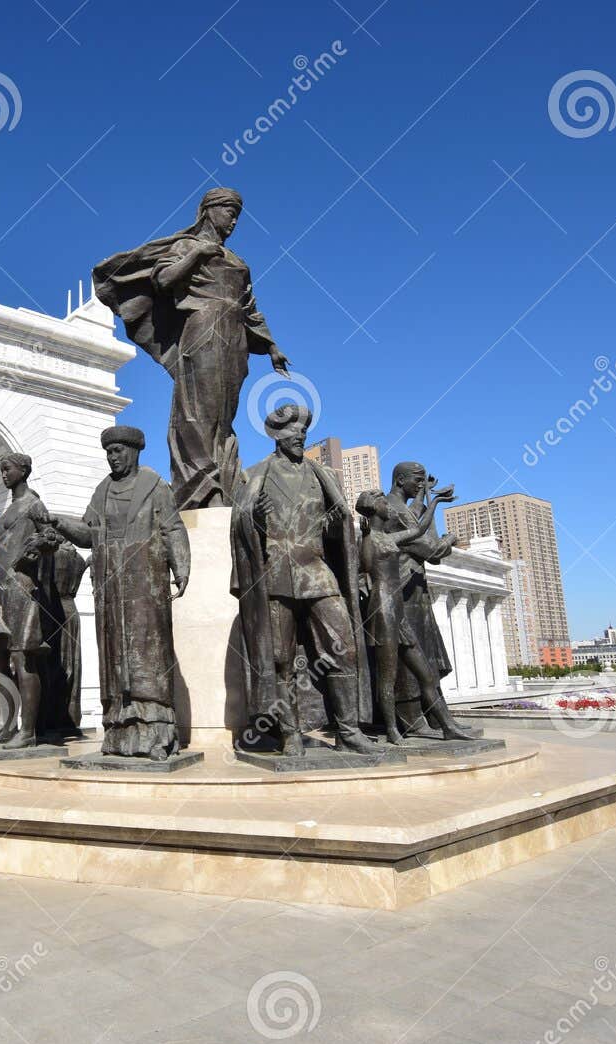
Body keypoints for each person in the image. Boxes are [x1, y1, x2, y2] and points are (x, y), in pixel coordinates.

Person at [92, 187, 290, 511]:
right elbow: (163, 280)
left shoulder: (238, 262)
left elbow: (250, 307)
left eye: (238, 214)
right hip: (203, 329)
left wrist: (271, 346)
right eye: (229, 211)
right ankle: (202, 489)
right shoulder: (186, 246)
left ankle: (225, 484)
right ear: (209, 210)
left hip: (235, 337)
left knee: (224, 417)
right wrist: (197, 255)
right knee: (197, 411)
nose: (234, 220)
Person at [229, 404, 379, 756]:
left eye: (303, 433)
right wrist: (255, 519)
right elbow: (238, 527)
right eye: (293, 432)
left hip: (316, 572)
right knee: (280, 659)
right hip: (276, 575)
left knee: (345, 647)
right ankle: (290, 733)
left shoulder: (321, 475)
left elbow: (339, 525)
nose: (300, 437)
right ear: (277, 436)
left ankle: (348, 730)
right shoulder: (255, 475)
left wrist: (334, 526)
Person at [54, 425, 191, 760]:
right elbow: (87, 534)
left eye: (118, 451)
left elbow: (173, 527)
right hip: (110, 587)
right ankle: (118, 730)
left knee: (148, 652)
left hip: (146, 582)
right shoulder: (102, 491)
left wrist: (182, 566)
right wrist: (57, 521)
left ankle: (155, 730)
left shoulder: (155, 487)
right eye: (108, 452)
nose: (112, 458)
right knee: (114, 654)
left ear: (134, 451)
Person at [359, 463, 475, 741]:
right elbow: (429, 548)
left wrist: (428, 497)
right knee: (395, 673)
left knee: (423, 668)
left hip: (400, 602)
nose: (420, 484)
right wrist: (450, 537)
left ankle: (440, 722)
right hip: (393, 603)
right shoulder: (383, 529)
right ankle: (402, 724)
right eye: (418, 480)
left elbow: (415, 528)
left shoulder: (390, 527)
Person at [0, 453, 58, 748]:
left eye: (8, 469)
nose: (3, 474)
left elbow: (52, 538)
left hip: (22, 586)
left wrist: (40, 546)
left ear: (24, 470)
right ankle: (2, 723)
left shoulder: (35, 505)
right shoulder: (9, 510)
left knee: (22, 657)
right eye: (1, 469)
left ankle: (27, 731)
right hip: (0, 587)